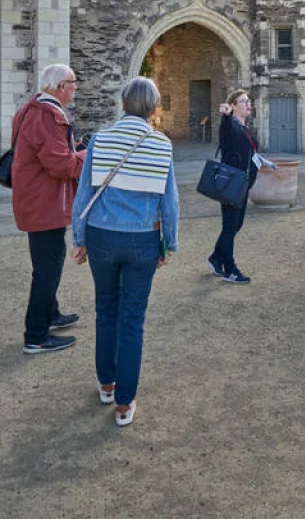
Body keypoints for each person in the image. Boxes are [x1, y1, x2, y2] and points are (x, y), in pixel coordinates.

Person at [71, 77, 179, 426]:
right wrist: (169, 244)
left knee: (106, 308)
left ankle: (107, 383)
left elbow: (84, 196)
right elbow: (170, 203)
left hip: (102, 235)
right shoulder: (162, 145)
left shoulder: (101, 140)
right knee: (133, 319)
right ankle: (124, 402)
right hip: (142, 240)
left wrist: (79, 238)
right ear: (153, 109)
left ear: (123, 103)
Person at [11, 63, 86, 354]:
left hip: (36, 200)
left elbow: (47, 153)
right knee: (47, 269)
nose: (75, 87)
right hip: (45, 204)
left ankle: (50, 314)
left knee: (46, 265)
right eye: (73, 81)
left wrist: (73, 147)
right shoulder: (48, 116)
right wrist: (85, 154)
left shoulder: (30, 110)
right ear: (59, 87)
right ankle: (36, 335)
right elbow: (61, 165)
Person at [206, 89, 258, 284]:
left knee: (236, 224)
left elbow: (250, 152)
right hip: (231, 183)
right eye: (243, 101)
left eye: (248, 101)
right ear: (234, 106)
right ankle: (230, 269)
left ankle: (216, 257)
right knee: (229, 226)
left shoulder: (245, 128)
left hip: (243, 183)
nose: (248, 104)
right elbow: (226, 131)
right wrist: (226, 115)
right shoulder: (230, 126)